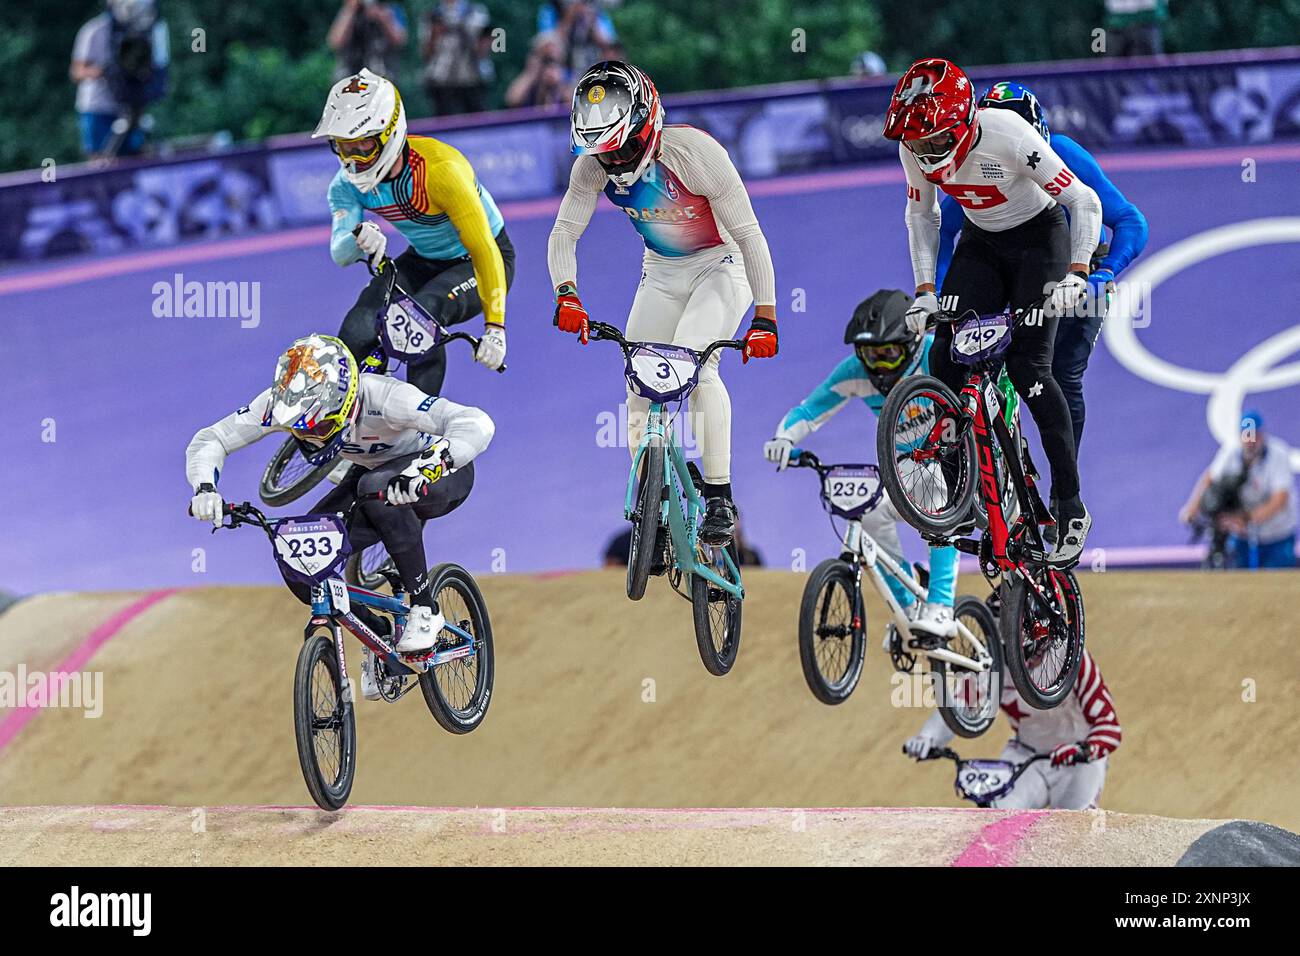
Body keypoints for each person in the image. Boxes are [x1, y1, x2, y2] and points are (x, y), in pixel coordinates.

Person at [185, 334, 495, 699]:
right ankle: (379, 633)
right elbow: (211, 439)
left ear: (345, 403)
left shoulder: (385, 397)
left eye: (317, 428)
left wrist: (433, 465)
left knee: (376, 488)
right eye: (300, 430)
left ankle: (424, 607)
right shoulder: (281, 403)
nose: (310, 439)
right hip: (371, 479)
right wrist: (205, 488)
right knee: (301, 557)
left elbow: (476, 421)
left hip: (438, 475)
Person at [549, 60, 779, 547]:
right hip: (662, 271)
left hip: (722, 265)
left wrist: (766, 316)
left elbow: (750, 236)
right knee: (638, 386)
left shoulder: (696, 154)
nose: (614, 164)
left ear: (648, 123)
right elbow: (565, 231)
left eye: (623, 149)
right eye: (602, 154)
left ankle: (720, 497)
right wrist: (566, 293)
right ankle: (651, 513)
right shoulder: (590, 166)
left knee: (697, 369)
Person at [883, 58, 1103, 568]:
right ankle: (963, 487)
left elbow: (1085, 201)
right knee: (946, 354)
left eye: (934, 143)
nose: (926, 156)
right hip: (982, 243)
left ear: (964, 124)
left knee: (1030, 372)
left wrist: (1076, 273)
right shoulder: (914, 141)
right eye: (916, 147)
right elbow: (921, 214)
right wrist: (924, 291)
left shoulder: (1007, 133)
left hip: (1040, 241)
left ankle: (1070, 503)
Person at [936, 82, 1149, 457]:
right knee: (981, 361)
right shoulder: (978, 164)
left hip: (1081, 275)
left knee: (1064, 374)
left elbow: (1131, 221)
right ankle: (996, 460)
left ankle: (1063, 486)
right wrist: (940, 295)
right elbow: (944, 230)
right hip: (1022, 267)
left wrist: (1103, 274)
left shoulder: (1062, 153)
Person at [763, 290, 971, 638]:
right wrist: (784, 437)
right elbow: (810, 410)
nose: (878, 366)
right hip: (905, 464)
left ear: (911, 343)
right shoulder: (855, 372)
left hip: (954, 461)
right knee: (871, 515)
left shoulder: (936, 354)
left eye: (888, 354)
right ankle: (909, 611)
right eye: (869, 355)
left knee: (938, 501)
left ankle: (941, 607)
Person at [314, 68, 514, 399]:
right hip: (423, 259)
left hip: (481, 261)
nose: (352, 161)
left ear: (389, 134)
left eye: (362, 146)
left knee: (417, 320)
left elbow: (484, 249)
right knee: (357, 326)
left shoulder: (442, 171)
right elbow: (341, 253)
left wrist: (495, 328)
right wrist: (359, 237)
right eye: (342, 147)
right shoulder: (345, 186)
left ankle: (418, 430)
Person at [904, 649, 1121, 809]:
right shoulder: (992, 661)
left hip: (1078, 762)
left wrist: (1084, 750)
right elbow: (958, 707)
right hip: (1026, 756)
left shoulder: (1071, 657)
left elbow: (1109, 726)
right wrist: (928, 737)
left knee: (1075, 837)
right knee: (996, 823)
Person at [1180, 410, 1297, 569]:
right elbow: (1210, 478)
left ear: (1261, 434)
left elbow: (1280, 499)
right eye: (1246, 437)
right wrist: (1193, 508)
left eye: (1254, 436)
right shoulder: (1231, 452)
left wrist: (1246, 518)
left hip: (1277, 534)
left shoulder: (1278, 455)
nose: (1250, 442)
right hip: (1243, 536)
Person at [71, 0, 170, 158]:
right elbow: (77, 71)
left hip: (130, 107)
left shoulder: (149, 30)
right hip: (98, 107)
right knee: (101, 160)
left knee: (137, 157)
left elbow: (156, 66)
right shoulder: (94, 30)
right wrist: (105, 72)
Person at [419, 0, 493, 116]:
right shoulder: (432, 15)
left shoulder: (476, 12)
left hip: (472, 80)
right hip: (442, 84)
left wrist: (472, 35)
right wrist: (435, 33)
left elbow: (485, 50)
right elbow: (425, 53)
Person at [328, 0, 409, 82]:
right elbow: (335, 42)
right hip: (350, 77)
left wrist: (383, 17)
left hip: (382, 76)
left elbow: (400, 40)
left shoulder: (391, 9)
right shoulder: (349, 11)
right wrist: (351, 10)